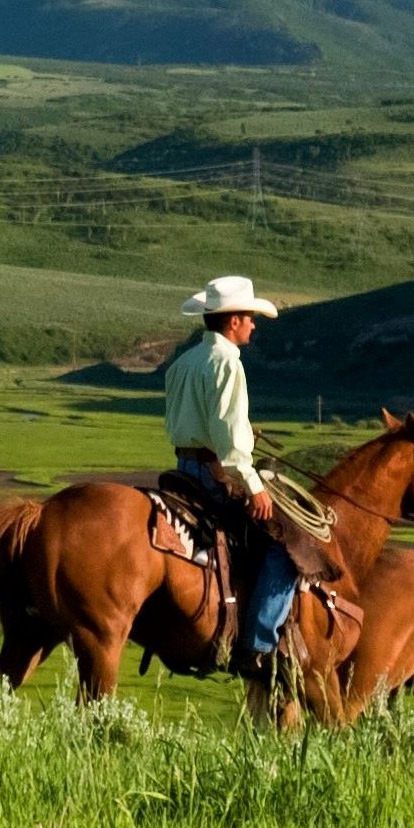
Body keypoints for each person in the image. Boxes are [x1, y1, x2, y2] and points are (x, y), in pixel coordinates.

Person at [160, 274, 305, 672]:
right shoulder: (228, 364)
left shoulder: (182, 363)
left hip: (184, 469)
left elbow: (185, 423)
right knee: (287, 544)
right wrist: (254, 486)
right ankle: (260, 644)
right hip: (214, 473)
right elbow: (228, 444)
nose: (254, 326)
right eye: (250, 318)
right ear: (233, 321)